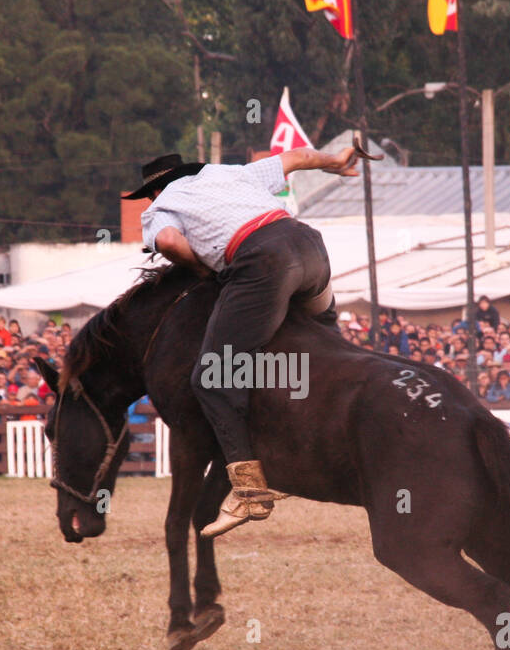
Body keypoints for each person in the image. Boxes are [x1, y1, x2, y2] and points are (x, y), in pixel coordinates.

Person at [131, 145, 360, 536]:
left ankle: (250, 490)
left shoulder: (159, 207)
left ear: (153, 191)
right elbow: (299, 158)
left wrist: (203, 267)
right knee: (330, 351)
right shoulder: (230, 173)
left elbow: (168, 241)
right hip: (310, 248)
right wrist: (334, 162)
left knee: (212, 376)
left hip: (266, 262)